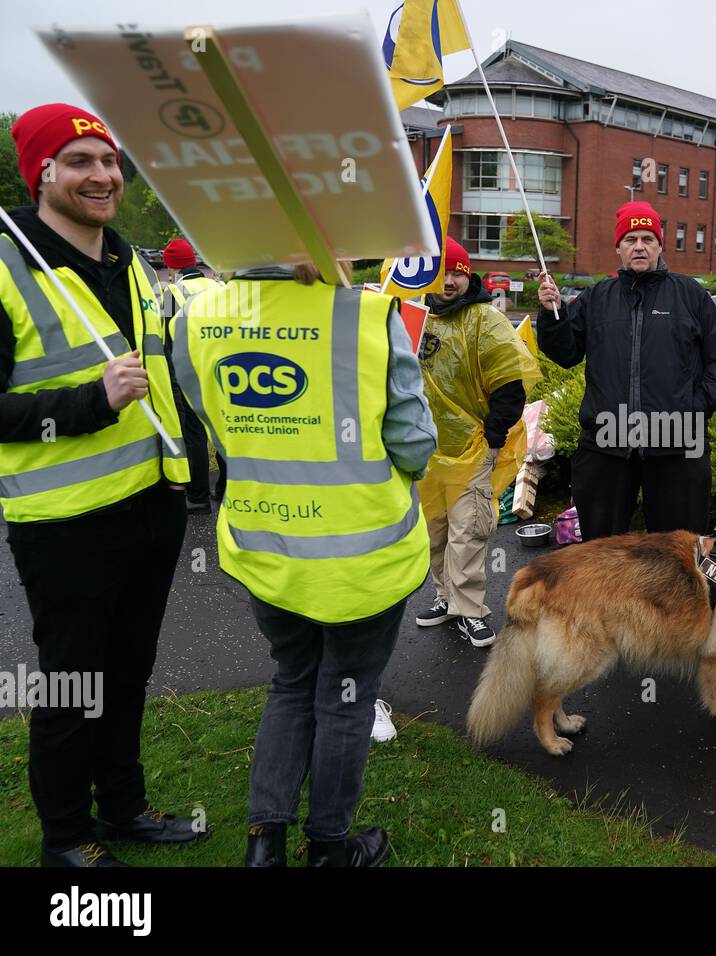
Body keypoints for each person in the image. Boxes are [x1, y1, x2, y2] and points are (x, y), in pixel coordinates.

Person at [172, 259, 438, 866]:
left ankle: (264, 846)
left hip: (266, 548)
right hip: (362, 559)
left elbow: (211, 423)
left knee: (292, 681)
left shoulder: (197, 318)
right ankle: (327, 848)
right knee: (344, 695)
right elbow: (415, 444)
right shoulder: (365, 315)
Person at [1, 103, 198, 867]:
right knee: (70, 686)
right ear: (43, 173)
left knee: (128, 674)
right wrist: (87, 404)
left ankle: (122, 808)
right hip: (64, 522)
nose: (103, 175)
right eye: (80, 161)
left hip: (149, 505)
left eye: (110, 160)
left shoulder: (131, 261)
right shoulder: (10, 262)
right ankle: (66, 839)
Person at [537, 201, 716, 539]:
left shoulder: (690, 295)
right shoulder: (597, 297)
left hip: (677, 443)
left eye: (648, 238)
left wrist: (692, 408)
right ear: (618, 248)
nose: (640, 246)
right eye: (631, 239)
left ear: (660, 245)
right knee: (603, 554)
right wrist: (552, 314)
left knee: (678, 554)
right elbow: (566, 353)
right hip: (606, 444)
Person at [411, 238, 539, 648]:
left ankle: (471, 611)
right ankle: (446, 598)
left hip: (472, 447)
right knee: (433, 530)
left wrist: (494, 437)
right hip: (425, 448)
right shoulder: (413, 316)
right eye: (441, 271)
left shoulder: (486, 321)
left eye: (456, 272)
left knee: (468, 530)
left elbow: (509, 385)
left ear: (468, 275)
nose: (448, 280)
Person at [158, 236, 224, 514]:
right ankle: (225, 489)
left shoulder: (170, 293)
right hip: (220, 367)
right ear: (194, 261)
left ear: (172, 268)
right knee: (223, 428)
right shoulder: (219, 287)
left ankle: (198, 496)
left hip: (187, 371)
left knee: (194, 433)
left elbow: (164, 340)